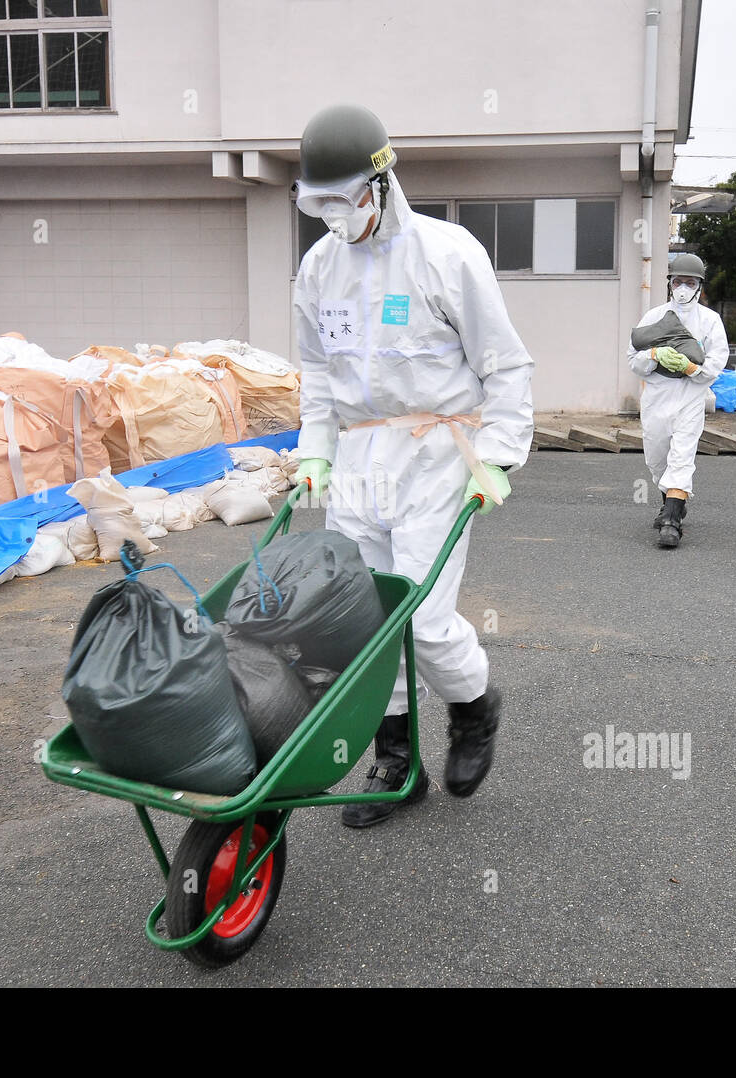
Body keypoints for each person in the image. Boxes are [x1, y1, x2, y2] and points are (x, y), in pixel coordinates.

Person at [291, 103, 534, 828]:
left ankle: (472, 707)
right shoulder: (318, 267)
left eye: (342, 200)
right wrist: (314, 453)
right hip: (361, 455)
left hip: (437, 454)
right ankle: (397, 759)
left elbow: (506, 364)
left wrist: (496, 458)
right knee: (364, 623)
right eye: (318, 202)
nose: (332, 215)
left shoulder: (446, 253)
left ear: (380, 182)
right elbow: (316, 373)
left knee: (423, 617)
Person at [625, 253, 729, 547]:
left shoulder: (710, 321)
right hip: (657, 394)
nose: (683, 287)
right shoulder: (654, 316)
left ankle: (671, 520)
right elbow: (632, 358)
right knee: (658, 459)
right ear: (670, 283)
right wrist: (653, 355)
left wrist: (693, 368)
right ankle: (673, 502)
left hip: (690, 396)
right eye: (678, 281)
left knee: (681, 456)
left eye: (690, 282)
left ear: (700, 286)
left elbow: (718, 359)